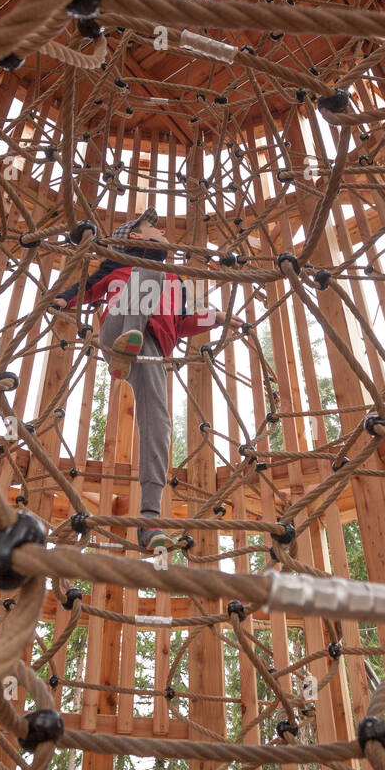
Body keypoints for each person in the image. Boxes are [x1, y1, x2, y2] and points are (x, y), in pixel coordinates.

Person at [51, 208, 244, 551]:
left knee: (159, 421)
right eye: (152, 228)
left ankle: (149, 519)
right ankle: (127, 344)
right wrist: (63, 298)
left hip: (152, 350)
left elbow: (184, 321)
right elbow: (88, 289)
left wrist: (218, 317)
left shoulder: (177, 281)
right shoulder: (117, 266)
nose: (163, 232)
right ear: (137, 236)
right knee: (147, 272)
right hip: (116, 329)